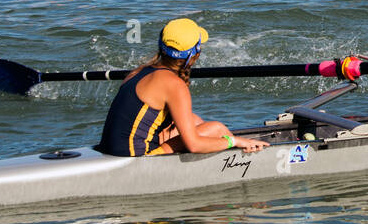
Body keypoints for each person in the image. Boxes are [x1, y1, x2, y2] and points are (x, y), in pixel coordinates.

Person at [97, 18, 269, 157]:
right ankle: (241, 160)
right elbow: (193, 145)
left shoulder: (139, 71)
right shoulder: (174, 84)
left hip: (111, 149)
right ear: (194, 54)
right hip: (136, 157)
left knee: (194, 121)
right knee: (216, 128)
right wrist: (236, 141)